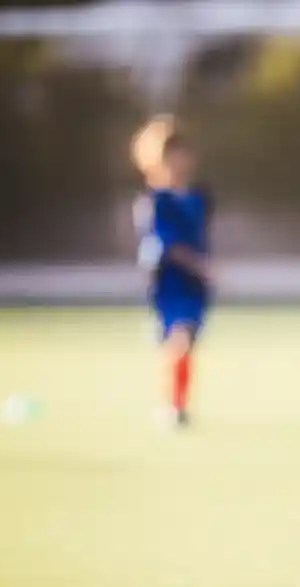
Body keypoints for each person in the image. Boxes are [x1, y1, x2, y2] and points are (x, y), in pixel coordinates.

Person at [130, 115, 212, 427]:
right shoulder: (153, 202)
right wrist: (199, 265)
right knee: (178, 340)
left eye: (182, 153)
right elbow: (165, 243)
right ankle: (174, 407)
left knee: (184, 344)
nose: (178, 161)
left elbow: (201, 236)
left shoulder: (199, 197)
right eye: (169, 155)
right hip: (170, 283)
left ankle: (176, 404)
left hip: (195, 285)